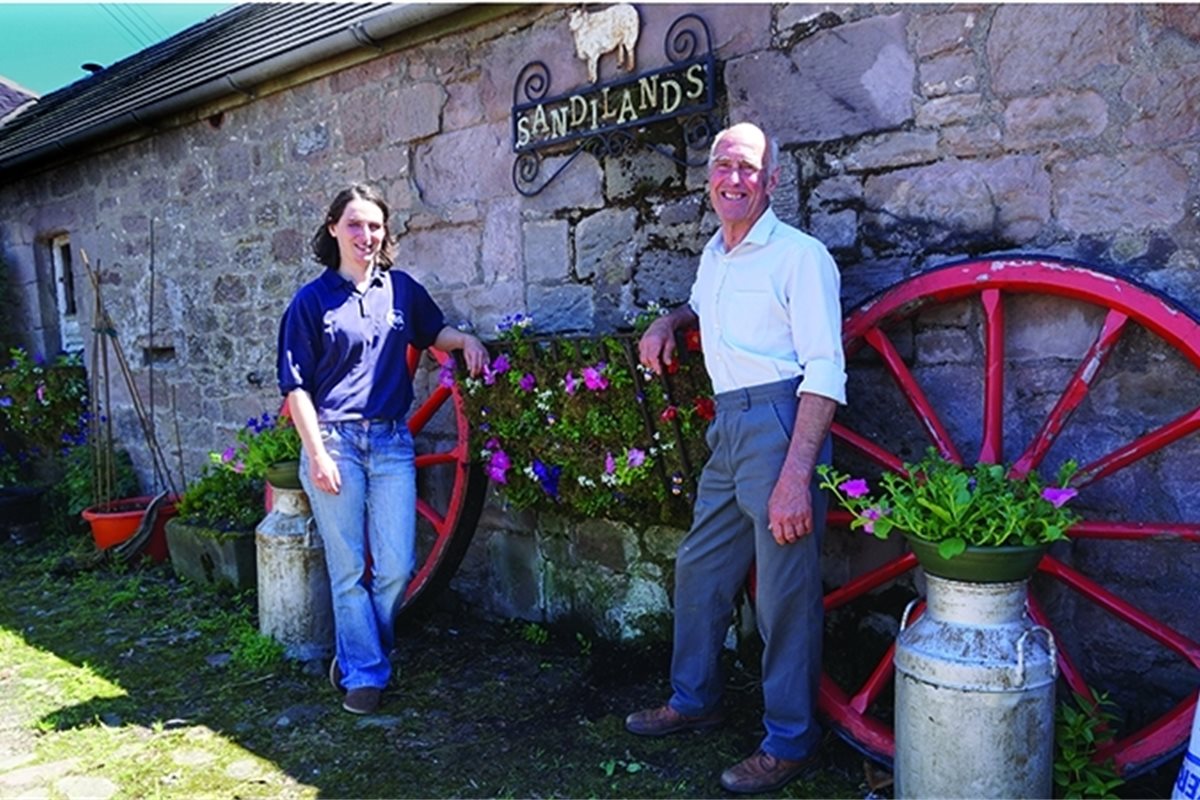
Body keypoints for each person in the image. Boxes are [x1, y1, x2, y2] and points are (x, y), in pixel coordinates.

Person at [626, 122, 846, 794]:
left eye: (748, 168)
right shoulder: (716, 255)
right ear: (709, 177)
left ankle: (789, 740)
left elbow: (825, 370)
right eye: (723, 165)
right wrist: (669, 322)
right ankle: (694, 700)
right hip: (728, 423)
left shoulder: (801, 257)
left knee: (784, 593)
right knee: (700, 566)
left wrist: (794, 479)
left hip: (781, 422)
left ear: (772, 180)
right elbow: (701, 307)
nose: (733, 178)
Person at [277, 183, 487, 715]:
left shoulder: (403, 291)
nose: (366, 235)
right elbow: (295, 387)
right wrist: (317, 454)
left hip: (391, 440)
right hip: (335, 441)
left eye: (374, 226)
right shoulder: (310, 302)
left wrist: (464, 342)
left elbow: (433, 331)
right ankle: (365, 674)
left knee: (396, 563)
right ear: (333, 229)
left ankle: (355, 652)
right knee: (348, 568)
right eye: (354, 224)